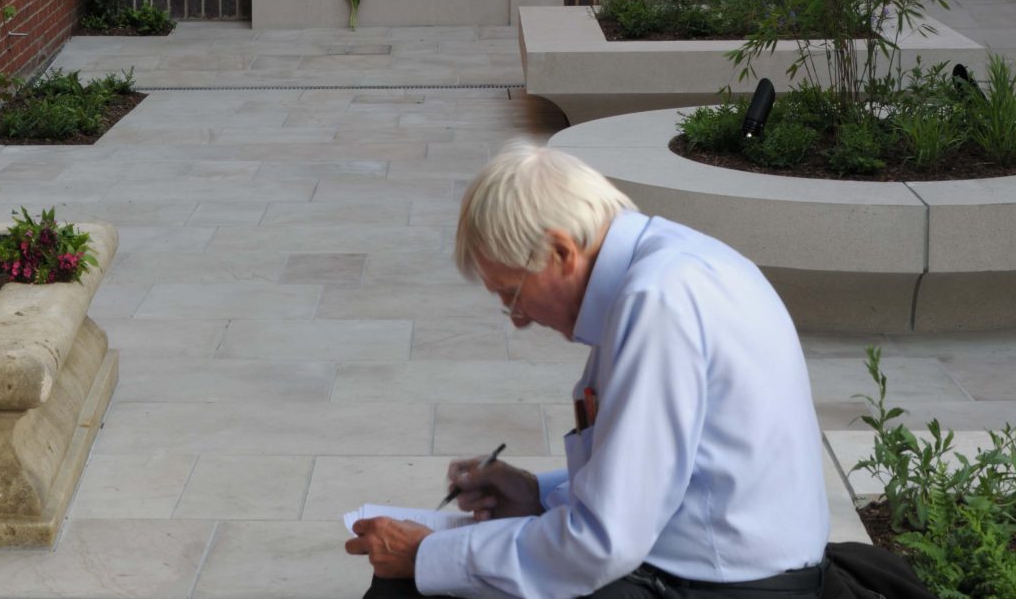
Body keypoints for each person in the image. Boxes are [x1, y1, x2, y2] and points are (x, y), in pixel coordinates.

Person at [347, 144, 828, 599]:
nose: (518, 319)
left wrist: (428, 554)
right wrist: (539, 492)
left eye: (512, 293)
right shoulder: (671, 265)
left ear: (560, 252)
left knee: (413, 583)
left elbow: (604, 542)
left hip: (719, 584)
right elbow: (660, 472)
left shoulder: (657, 301)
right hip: (717, 563)